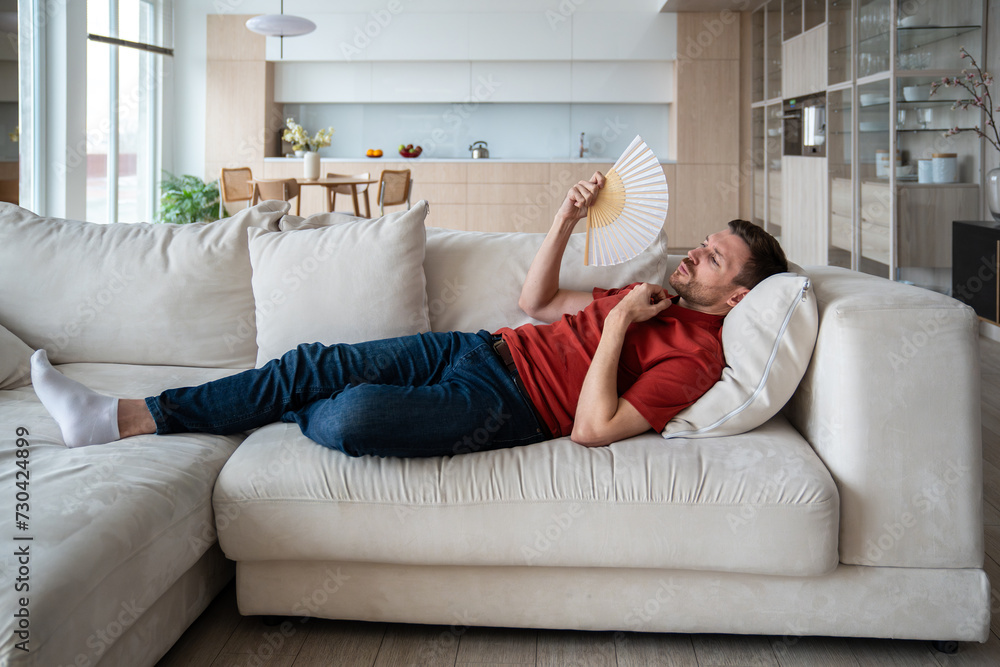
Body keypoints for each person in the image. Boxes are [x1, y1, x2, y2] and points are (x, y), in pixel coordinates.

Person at [30, 172, 788, 457]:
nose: (694, 256)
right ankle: (119, 417)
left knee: (351, 416)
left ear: (738, 297)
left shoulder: (695, 353)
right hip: (481, 348)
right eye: (704, 246)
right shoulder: (656, 291)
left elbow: (593, 429)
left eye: (714, 260)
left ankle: (268, 407)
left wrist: (621, 321)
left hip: (509, 403)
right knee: (309, 363)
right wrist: (564, 215)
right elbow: (534, 303)